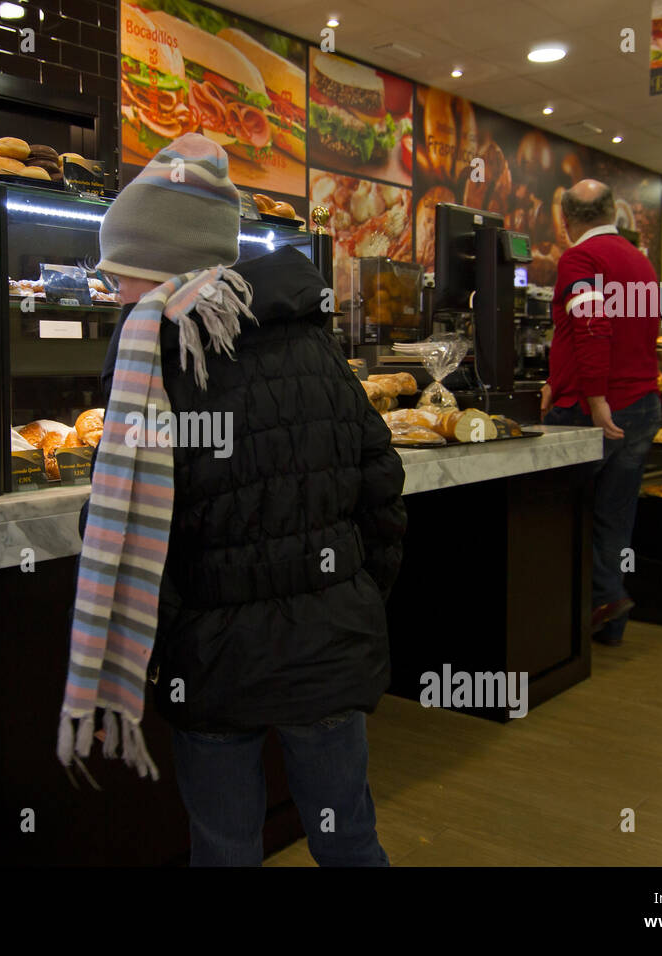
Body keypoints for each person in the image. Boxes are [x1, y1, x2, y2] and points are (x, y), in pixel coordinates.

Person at [57, 133, 406, 866]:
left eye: (121, 271)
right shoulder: (312, 339)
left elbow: (121, 528)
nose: (114, 290)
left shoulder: (153, 351)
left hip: (212, 660)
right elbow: (380, 481)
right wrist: (359, 592)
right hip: (330, 642)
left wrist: (170, 633)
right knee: (350, 840)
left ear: (160, 265)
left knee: (223, 847)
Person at [541, 179, 662, 646]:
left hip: (596, 411)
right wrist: (558, 378)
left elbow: (592, 326)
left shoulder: (580, 259)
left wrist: (592, 397)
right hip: (642, 404)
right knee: (614, 518)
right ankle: (609, 616)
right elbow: (634, 332)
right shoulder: (641, 262)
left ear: (567, 222)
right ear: (614, 211)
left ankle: (565, 621)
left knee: (558, 516)